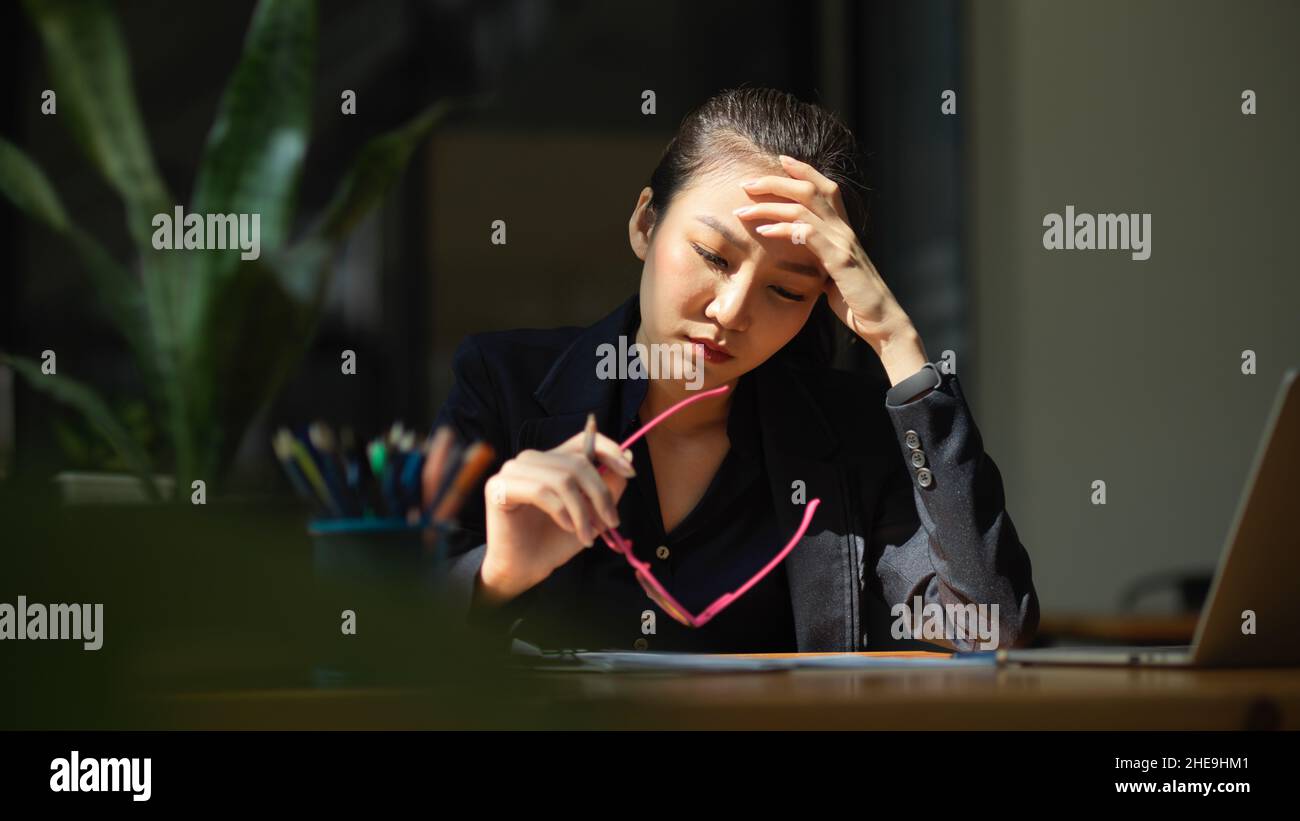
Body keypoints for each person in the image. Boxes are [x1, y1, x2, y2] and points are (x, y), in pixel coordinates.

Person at [429, 87, 1039, 654]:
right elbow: (380, 636)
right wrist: (497, 576)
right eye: (712, 256)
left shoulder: (849, 436)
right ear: (645, 223)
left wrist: (898, 342)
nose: (731, 312)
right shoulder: (504, 385)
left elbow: (989, 627)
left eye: (786, 292)